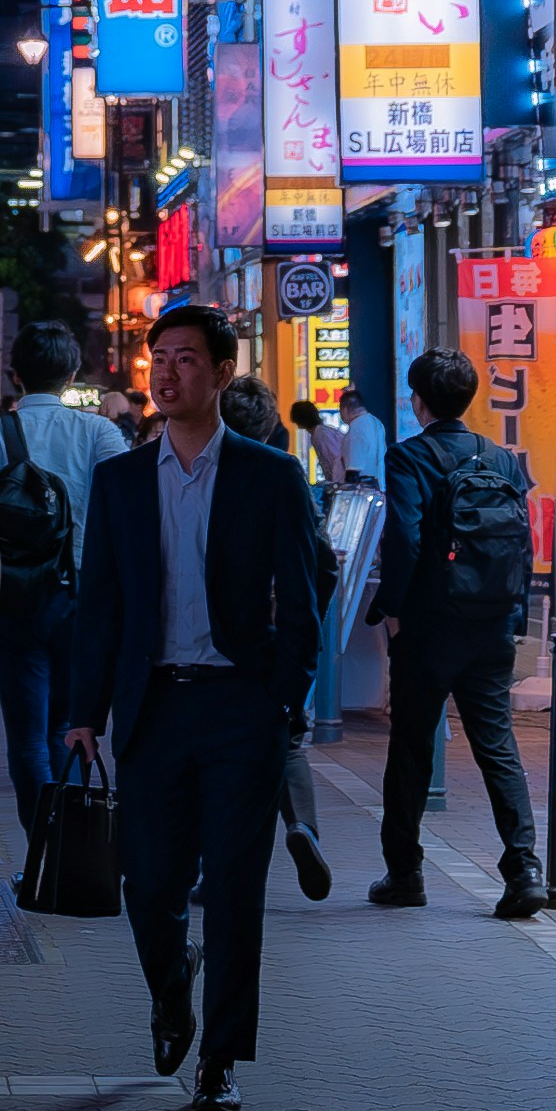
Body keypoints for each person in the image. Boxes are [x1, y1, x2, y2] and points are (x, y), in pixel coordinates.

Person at [59, 299, 326, 1111]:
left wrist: (284, 698)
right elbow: (99, 604)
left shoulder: (270, 474)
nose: (166, 373)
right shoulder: (119, 480)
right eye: (158, 359)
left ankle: (219, 1057)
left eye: (183, 359)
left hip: (239, 706)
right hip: (152, 710)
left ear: (222, 371)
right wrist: (83, 713)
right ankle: (171, 989)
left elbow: (304, 599)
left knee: (238, 887)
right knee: (149, 883)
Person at [370, 348, 545, 917]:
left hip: (429, 628)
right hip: (492, 626)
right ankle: (524, 871)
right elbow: (523, 545)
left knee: (413, 749)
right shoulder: (502, 459)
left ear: (417, 401)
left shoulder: (410, 457)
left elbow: (404, 538)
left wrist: (389, 608)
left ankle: (405, 875)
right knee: (497, 747)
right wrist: (513, 617)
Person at [0, 325, 128, 871]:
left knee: (26, 735)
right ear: (71, 376)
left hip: (14, 597)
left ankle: (44, 853)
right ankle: (72, 850)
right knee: (74, 724)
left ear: (15, 374)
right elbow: (125, 516)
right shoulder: (100, 434)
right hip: (86, 595)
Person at [218, 381, 339, 901]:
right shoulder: (283, 476)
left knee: (221, 754)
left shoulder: (203, 473)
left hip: (215, 642)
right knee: (287, 740)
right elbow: (324, 563)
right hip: (276, 636)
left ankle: (218, 867)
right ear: (271, 426)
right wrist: (307, 622)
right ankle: (302, 828)